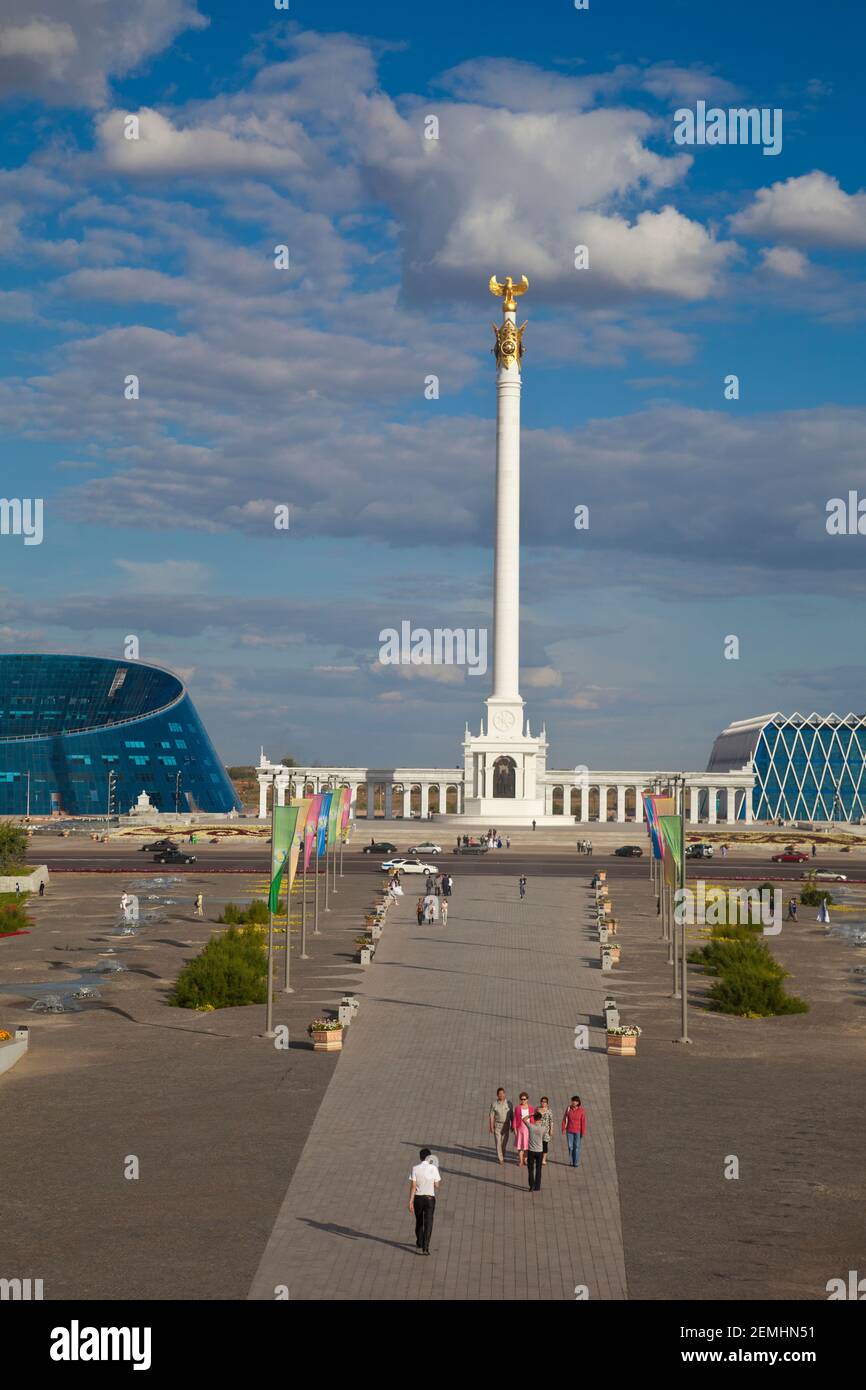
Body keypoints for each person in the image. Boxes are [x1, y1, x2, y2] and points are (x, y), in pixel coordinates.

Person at [408, 1147, 440, 1255]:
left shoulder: (415, 1168)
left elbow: (413, 1186)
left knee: (419, 1221)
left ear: (420, 1157)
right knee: (429, 1222)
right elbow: (437, 1185)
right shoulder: (433, 1169)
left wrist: (410, 1201)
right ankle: (425, 1248)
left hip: (418, 1198)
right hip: (430, 1199)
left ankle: (419, 1241)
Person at [488, 1088, 512, 1164]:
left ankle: (502, 1154)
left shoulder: (509, 1103)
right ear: (497, 1095)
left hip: (506, 1125)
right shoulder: (494, 1104)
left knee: (504, 1143)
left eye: (502, 1093)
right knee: (498, 1142)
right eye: (499, 1094)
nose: (501, 1095)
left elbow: (512, 1115)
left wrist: (513, 1125)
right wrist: (491, 1127)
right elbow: (491, 1116)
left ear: (504, 1094)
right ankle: (500, 1158)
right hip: (498, 1125)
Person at [562, 1095, 587, 1168]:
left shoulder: (581, 1110)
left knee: (576, 1147)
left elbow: (583, 1121)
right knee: (570, 1147)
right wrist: (563, 1128)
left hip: (578, 1131)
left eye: (575, 1101)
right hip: (569, 1130)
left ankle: (575, 1162)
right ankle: (571, 1161)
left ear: (578, 1102)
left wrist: (583, 1131)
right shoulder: (568, 1108)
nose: (573, 1102)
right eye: (572, 1101)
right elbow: (564, 1118)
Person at [526, 1111, 546, 1192]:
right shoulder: (543, 1128)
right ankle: (537, 1186)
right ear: (540, 1119)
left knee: (530, 1169)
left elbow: (523, 1119)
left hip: (531, 1151)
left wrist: (531, 1115)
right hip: (539, 1151)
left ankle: (531, 1186)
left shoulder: (531, 1126)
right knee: (539, 1169)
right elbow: (544, 1136)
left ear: (534, 1119)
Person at [512, 1092, 532, 1167]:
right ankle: (520, 1161)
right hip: (520, 1128)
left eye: (524, 1099)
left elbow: (532, 1118)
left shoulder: (530, 1108)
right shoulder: (517, 1107)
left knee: (526, 1146)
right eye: (521, 1099)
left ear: (527, 1099)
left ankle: (525, 1160)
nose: (523, 1100)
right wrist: (514, 1129)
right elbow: (515, 1119)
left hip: (528, 1129)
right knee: (520, 1146)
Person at [537, 1096, 553, 1165]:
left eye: (545, 1102)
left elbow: (551, 1121)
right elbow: (534, 1118)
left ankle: (543, 1159)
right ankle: (538, 1158)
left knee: (545, 1145)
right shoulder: (537, 1109)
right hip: (538, 1129)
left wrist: (551, 1129)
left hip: (546, 1131)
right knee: (538, 1144)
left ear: (547, 1103)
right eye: (542, 1101)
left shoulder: (549, 1111)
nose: (543, 1103)